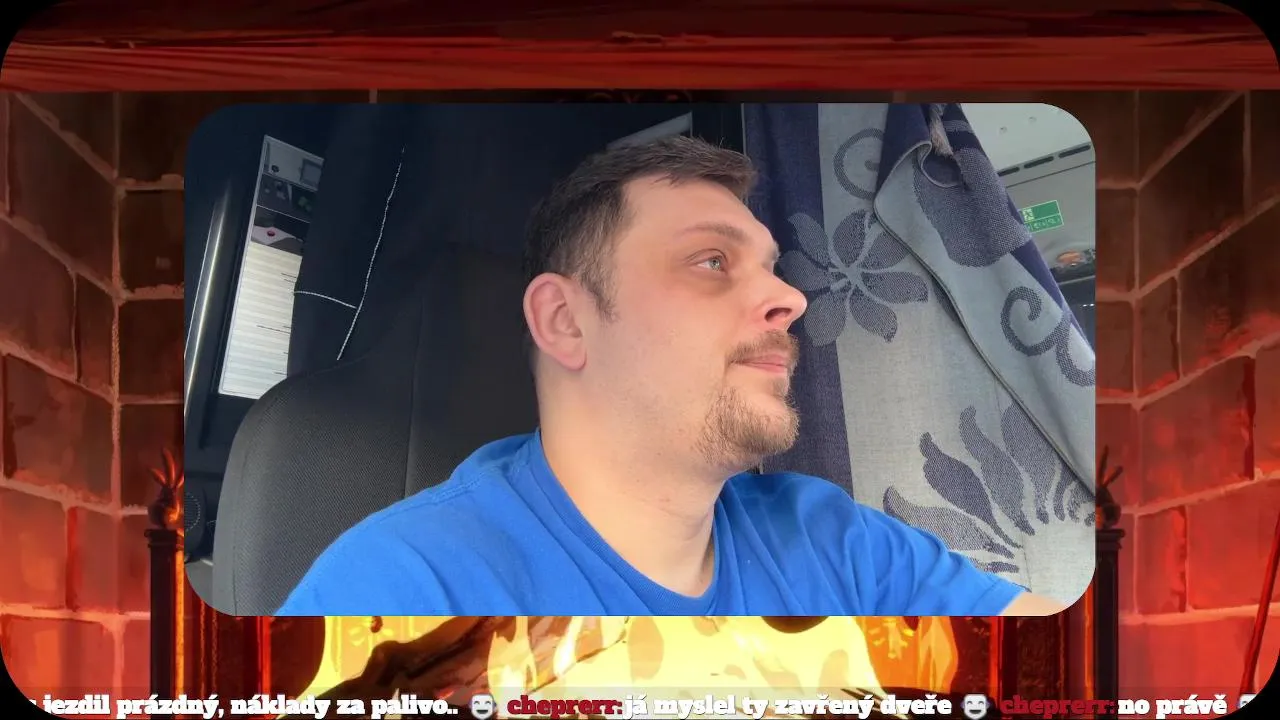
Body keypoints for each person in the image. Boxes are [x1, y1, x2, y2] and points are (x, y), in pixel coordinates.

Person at [277, 135, 1066, 616]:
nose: (791, 298)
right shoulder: (402, 589)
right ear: (566, 321)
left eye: (773, 268)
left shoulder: (839, 542)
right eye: (712, 261)